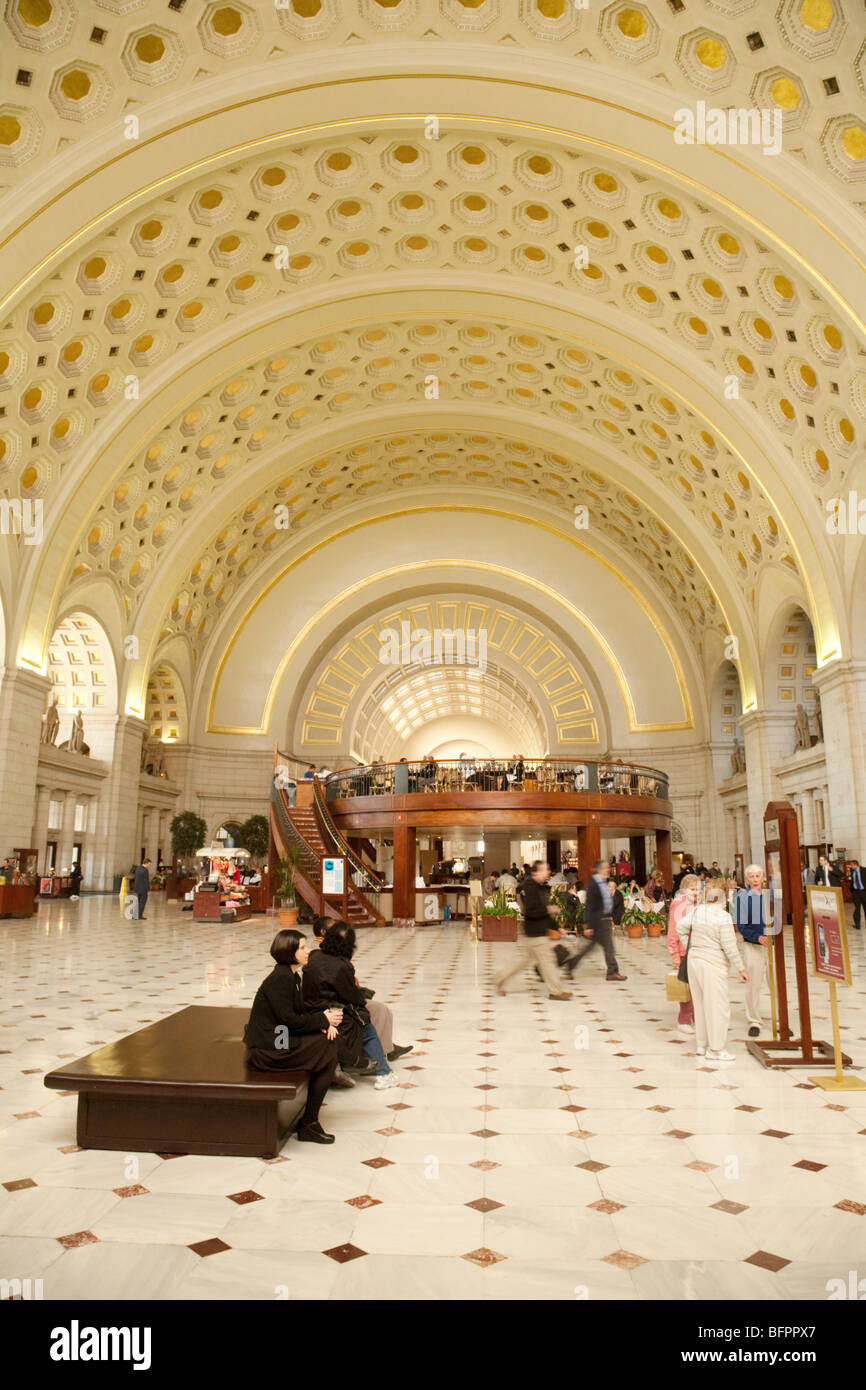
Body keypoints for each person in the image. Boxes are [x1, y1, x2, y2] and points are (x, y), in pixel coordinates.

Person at [243, 929, 341, 1144]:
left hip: (280, 1037)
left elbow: (298, 1013)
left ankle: (310, 1121)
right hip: (269, 1048)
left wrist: (322, 1022)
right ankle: (309, 1123)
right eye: (303, 948)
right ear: (289, 952)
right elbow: (290, 1021)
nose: (308, 951)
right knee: (328, 1048)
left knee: (329, 1044)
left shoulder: (292, 974)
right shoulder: (281, 978)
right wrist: (323, 1022)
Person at [302, 921, 399, 1090]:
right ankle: (383, 1072)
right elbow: (352, 997)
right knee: (366, 1026)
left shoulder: (314, 956)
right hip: (334, 1015)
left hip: (312, 1011)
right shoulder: (342, 966)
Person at [681, 882, 749, 1061]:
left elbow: (681, 927)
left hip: (694, 961)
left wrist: (690, 947)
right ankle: (716, 1049)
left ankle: (701, 1045)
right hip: (713, 963)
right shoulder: (723, 916)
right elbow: (730, 947)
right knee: (718, 1007)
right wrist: (741, 967)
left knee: (701, 1005)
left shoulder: (697, 911)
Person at [494, 860, 570, 1000]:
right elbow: (532, 911)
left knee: (524, 962)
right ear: (536, 872)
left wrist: (557, 927)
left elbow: (544, 913)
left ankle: (500, 979)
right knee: (548, 961)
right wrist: (549, 909)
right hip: (535, 932)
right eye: (544, 870)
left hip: (536, 931)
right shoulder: (530, 887)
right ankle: (556, 992)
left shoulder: (540, 887)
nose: (548, 872)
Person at [565, 859, 627, 982]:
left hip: (604, 919)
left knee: (590, 947)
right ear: (599, 869)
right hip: (599, 921)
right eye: (605, 868)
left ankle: (571, 963)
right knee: (609, 946)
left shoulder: (602, 883)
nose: (608, 870)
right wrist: (587, 925)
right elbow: (590, 905)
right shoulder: (593, 884)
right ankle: (612, 972)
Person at [733, 864, 770, 1038]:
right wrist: (758, 937)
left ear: (763, 877)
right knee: (753, 983)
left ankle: (779, 1018)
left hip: (772, 945)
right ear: (747, 879)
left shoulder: (770, 896)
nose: (756, 880)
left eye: (758, 876)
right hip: (752, 945)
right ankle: (754, 1020)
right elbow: (742, 926)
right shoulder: (742, 898)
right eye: (752, 877)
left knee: (776, 983)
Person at [667, 874, 698, 1034]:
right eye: (692, 889)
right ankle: (684, 1019)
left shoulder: (700, 904)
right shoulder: (678, 904)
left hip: (698, 949)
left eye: (697, 889)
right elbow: (673, 929)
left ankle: (696, 1017)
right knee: (685, 987)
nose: (695, 892)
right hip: (683, 951)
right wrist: (674, 953)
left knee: (697, 987)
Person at [850, 860, 865, 930]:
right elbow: (853, 881)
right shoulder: (852, 871)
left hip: (863, 891)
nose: (851, 866)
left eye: (852, 865)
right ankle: (857, 924)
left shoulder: (864, 870)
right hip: (856, 892)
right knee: (857, 909)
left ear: (856, 865)